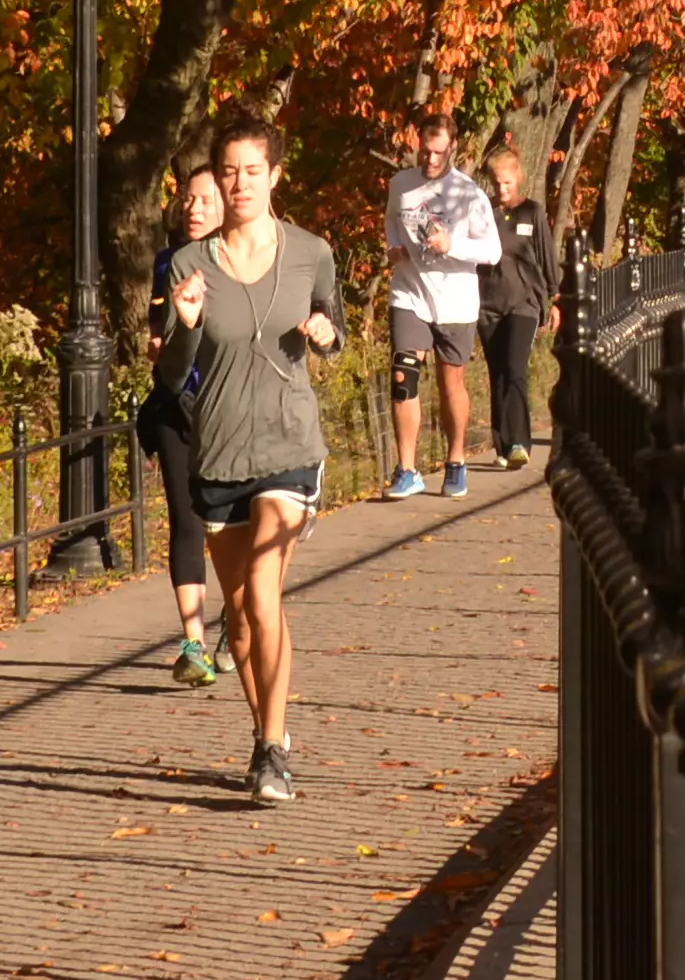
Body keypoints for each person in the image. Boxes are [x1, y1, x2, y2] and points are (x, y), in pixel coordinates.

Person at [158, 127, 342, 802]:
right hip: (220, 451)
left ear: (275, 175)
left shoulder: (311, 253)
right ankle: (270, 731)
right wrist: (182, 324)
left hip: (291, 449)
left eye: (253, 170)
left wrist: (325, 334)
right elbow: (175, 376)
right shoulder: (189, 264)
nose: (240, 183)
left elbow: (334, 329)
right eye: (229, 172)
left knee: (265, 587)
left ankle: (271, 750)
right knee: (237, 618)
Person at [379, 127, 500, 499]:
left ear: (452, 150)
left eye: (438, 153)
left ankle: (455, 460)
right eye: (425, 151)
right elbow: (390, 222)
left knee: (451, 385)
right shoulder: (401, 183)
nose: (430, 160)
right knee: (403, 377)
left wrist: (453, 244)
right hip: (410, 293)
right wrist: (394, 247)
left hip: (455, 300)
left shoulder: (469, 193)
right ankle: (407, 470)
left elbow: (492, 251)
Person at [148, 163, 233, 688]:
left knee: (229, 528)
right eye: (188, 200)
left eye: (205, 200)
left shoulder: (244, 265)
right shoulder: (168, 263)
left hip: (228, 412)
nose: (194, 208)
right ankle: (193, 644)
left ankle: (237, 621)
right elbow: (155, 327)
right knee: (186, 520)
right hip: (176, 406)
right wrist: (156, 343)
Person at [478, 135, 555, 469]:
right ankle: (502, 444)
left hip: (524, 303)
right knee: (497, 373)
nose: (502, 189)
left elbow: (547, 257)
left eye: (507, 183)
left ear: (518, 179)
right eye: (497, 183)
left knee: (515, 369)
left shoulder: (532, 212)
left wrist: (555, 299)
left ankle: (521, 442)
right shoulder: (485, 214)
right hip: (488, 303)